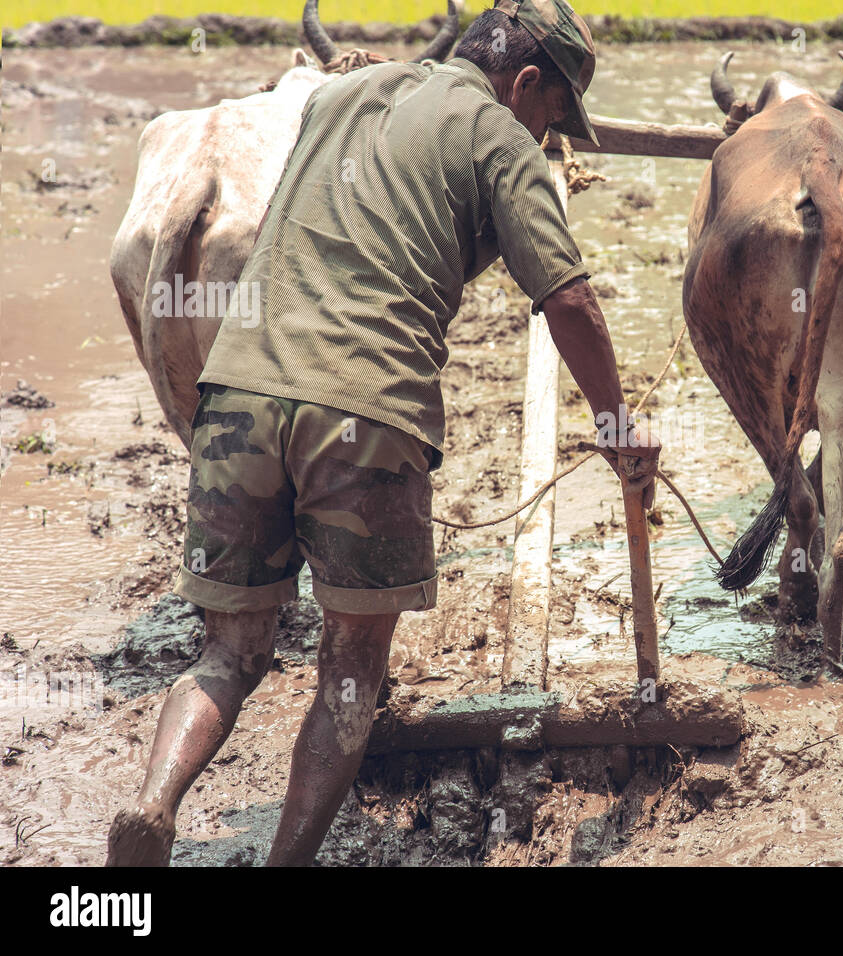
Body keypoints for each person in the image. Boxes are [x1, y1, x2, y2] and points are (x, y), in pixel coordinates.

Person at [107, 0, 658, 867]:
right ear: (523, 83)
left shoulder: (337, 97)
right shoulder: (501, 137)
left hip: (237, 392)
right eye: (555, 112)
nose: (553, 133)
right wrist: (618, 424)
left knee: (229, 654)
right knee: (350, 673)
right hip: (365, 413)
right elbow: (569, 300)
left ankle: (152, 803)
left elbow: (345, 103)